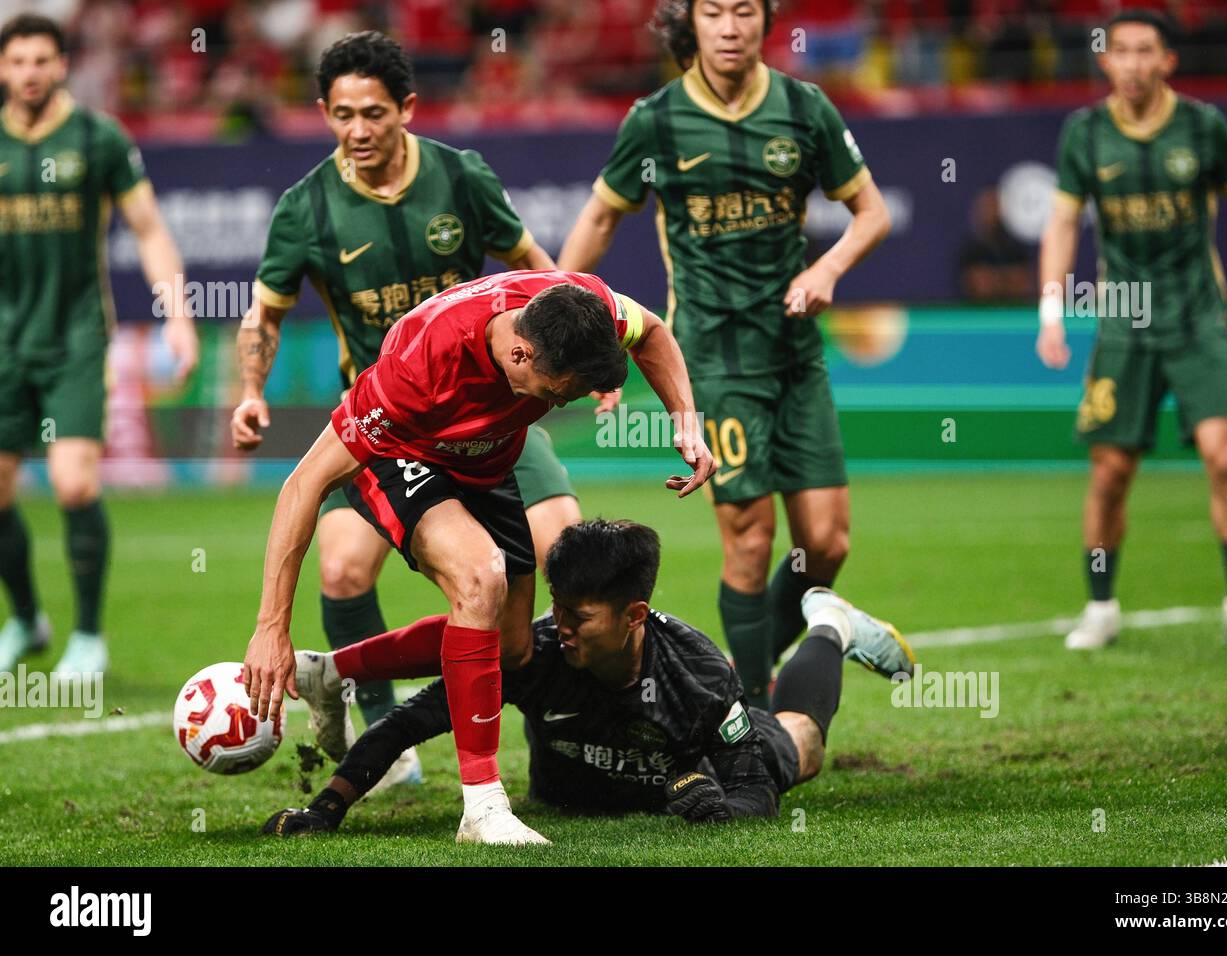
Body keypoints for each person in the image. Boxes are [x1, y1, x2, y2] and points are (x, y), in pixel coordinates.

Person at [241, 269, 714, 845]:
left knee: (511, 647)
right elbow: (302, 485)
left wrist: (686, 423)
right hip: (404, 457)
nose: (563, 402)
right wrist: (271, 628)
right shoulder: (419, 371)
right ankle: (483, 807)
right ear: (521, 352)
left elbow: (654, 332)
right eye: (560, 390)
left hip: (484, 459)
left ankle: (330, 671)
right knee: (480, 577)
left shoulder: (583, 305)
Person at [230, 31, 579, 789]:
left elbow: (534, 269)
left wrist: (571, 344)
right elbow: (263, 316)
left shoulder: (460, 177)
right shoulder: (305, 209)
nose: (357, 131)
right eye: (342, 114)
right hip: (394, 426)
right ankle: (385, 729)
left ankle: (560, 724)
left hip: (497, 411)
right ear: (324, 113)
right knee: (344, 566)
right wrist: (252, 390)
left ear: (408, 110)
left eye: (374, 114)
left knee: (568, 547)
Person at [557, 0, 891, 709]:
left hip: (796, 354)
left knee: (826, 545)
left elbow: (873, 212)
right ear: (696, 24)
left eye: (744, 11)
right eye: (715, 12)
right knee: (749, 535)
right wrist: (568, 326)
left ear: (766, 21)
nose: (731, 26)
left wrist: (827, 270)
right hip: (711, 356)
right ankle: (755, 710)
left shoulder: (804, 109)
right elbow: (601, 217)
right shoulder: (657, 119)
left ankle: (749, 672)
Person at [262, 519, 914, 835]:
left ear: (634, 615)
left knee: (804, 742)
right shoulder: (537, 654)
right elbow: (411, 721)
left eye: (579, 615)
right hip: (570, 796)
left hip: (716, 754)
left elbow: (751, 788)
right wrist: (328, 807)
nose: (560, 626)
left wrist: (719, 810)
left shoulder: (698, 676)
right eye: (555, 608)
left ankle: (830, 624)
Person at [1036, 9, 1227, 649]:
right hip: (1124, 320)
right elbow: (1063, 223)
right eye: (1121, 50)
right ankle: (1100, 607)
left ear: (1167, 60)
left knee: (1225, 454)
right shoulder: (1084, 133)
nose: (1134, 63)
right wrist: (1051, 310)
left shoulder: (1203, 126)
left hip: (1199, 316)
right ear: (1105, 60)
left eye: (1146, 51)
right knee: (1110, 470)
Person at [0, 13, 198, 677]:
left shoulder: (97, 138)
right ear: (4, 69)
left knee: (74, 483)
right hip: (3, 342)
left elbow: (148, 229)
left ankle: (87, 636)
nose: (29, 72)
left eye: (41, 60)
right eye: (17, 61)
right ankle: (27, 621)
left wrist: (177, 314)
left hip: (76, 337)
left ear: (62, 66)